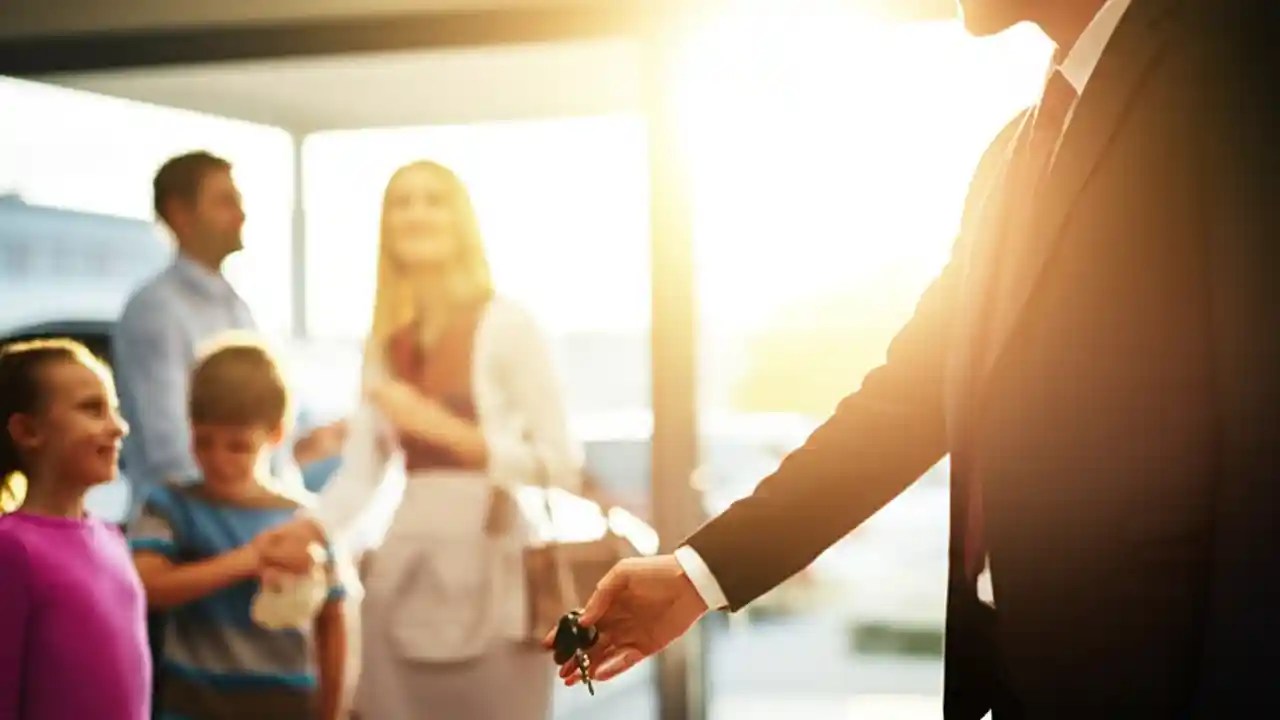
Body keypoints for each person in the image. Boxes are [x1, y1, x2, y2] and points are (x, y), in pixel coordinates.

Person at [560, 1, 1280, 718]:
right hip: (1015, 678)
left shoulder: (1237, 63)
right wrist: (696, 576)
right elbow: (906, 402)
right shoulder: (1012, 157)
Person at [267, 160, 579, 720]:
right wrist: (307, 530)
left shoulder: (510, 324)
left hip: (497, 569)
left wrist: (449, 434)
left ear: (461, 219)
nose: (417, 213)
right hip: (405, 571)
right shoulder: (384, 342)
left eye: (433, 199)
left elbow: (562, 464)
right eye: (402, 202)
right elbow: (361, 473)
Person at [128, 339, 346, 720]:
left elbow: (333, 621)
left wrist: (331, 713)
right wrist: (250, 559)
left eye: (238, 446)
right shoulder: (169, 504)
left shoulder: (305, 520)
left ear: (276, 434)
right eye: (203, 442)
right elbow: (149, 587)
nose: (218, 459)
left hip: (287, 710)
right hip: (190, 707)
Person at [0, 339, 150, 720]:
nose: (118, 426)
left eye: (113, 409)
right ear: (27, 431)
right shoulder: (13, 549)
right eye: (92, 409)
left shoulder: (112, 538)